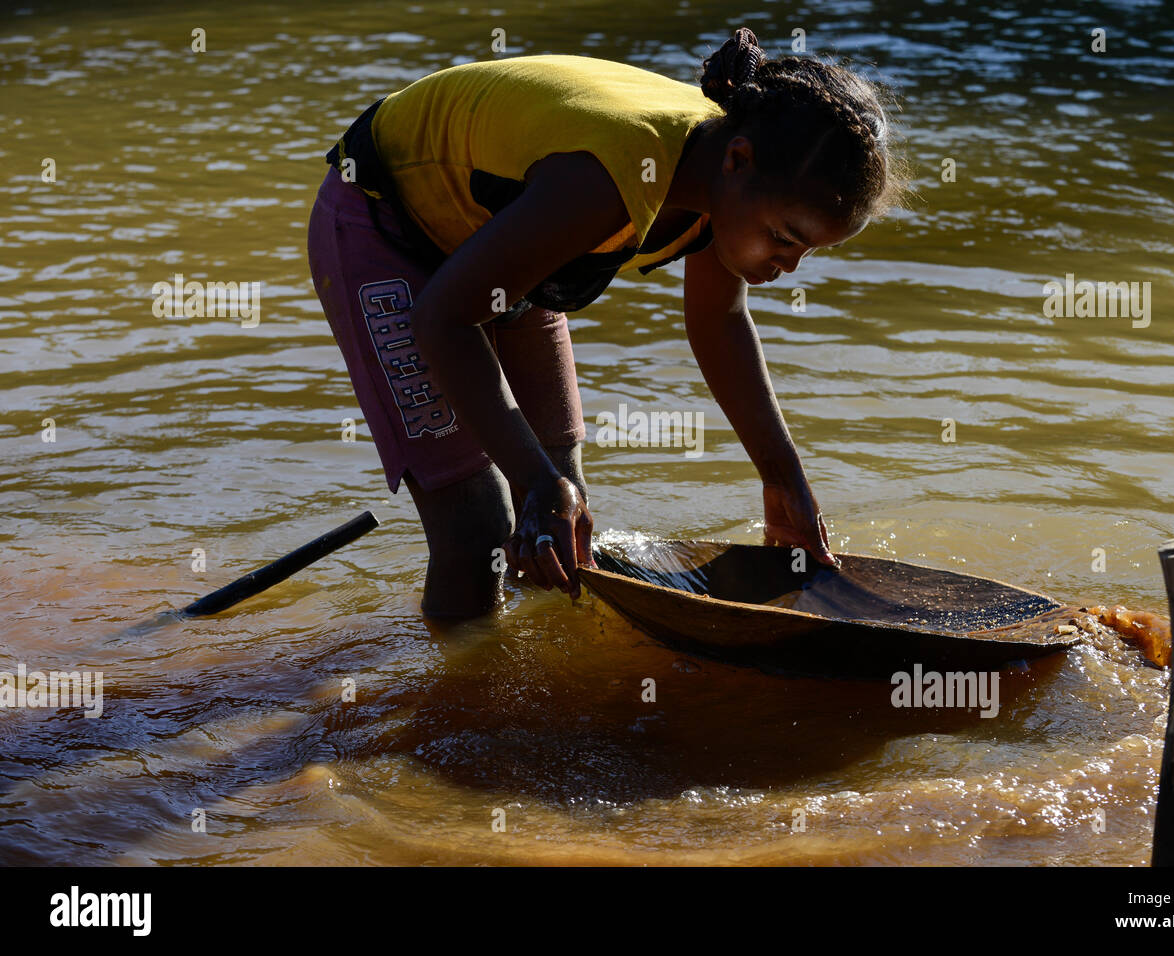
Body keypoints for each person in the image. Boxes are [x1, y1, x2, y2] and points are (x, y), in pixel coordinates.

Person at [307, 27, 906, 619]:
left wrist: (783, 481)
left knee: (563, 508)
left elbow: (719, 319)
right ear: (737, 159)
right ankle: (461, 706)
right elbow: (442, 319)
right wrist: (533, 483)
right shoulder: (613, 176)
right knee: (477, 525)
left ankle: (540, 676)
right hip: (386, 227)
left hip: (507, 249)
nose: (786, 266)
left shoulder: (723, 181)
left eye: (808, 252)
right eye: (783, 237)